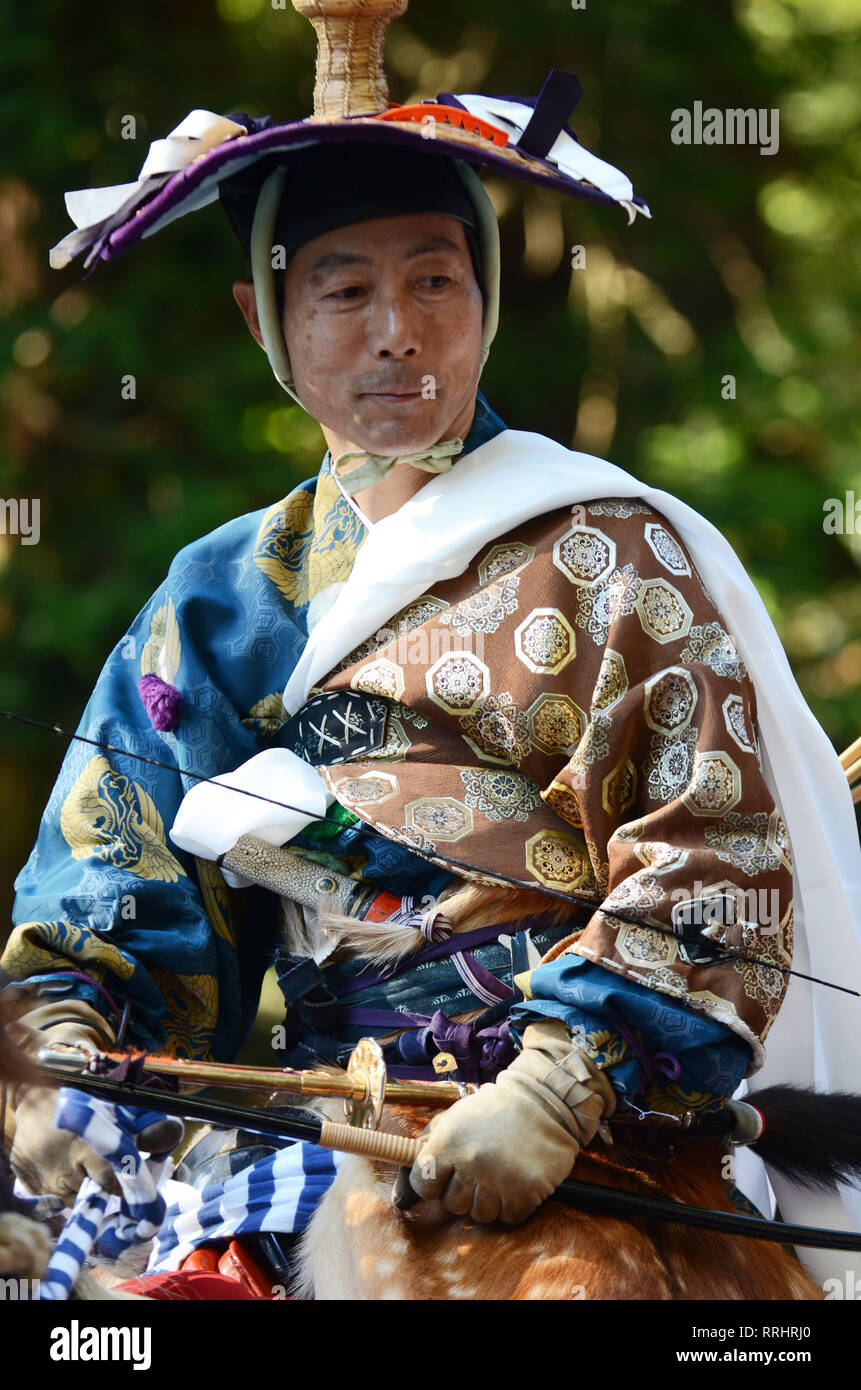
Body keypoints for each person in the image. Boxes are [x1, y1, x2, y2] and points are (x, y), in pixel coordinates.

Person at [4, 1, 860, 1274]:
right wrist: (57, 1077)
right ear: (264, 321)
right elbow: (107, 901)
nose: (396, 329)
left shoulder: (613, 551)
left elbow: (714, 849)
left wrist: (558, 1088)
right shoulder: (218, 599)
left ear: (489, 301)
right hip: (306, 1149)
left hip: (588, 1145)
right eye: (344, 289)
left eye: (434, 279)